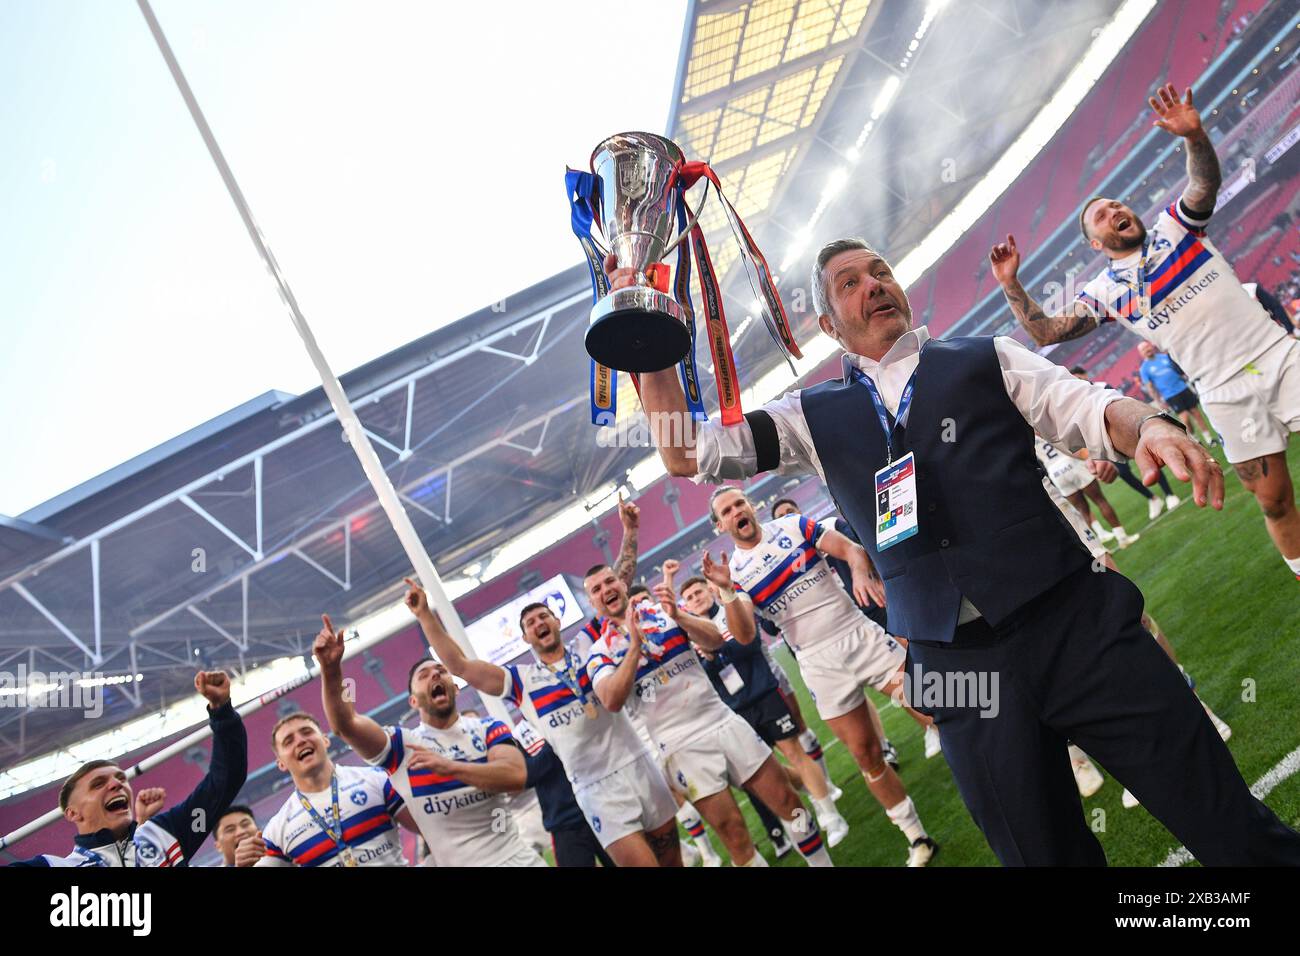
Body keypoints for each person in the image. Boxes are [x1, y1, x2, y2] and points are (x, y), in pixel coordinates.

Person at [618, 230, 1300, 865]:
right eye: (851, 282)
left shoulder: (986, 356)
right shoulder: (808, 417)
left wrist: (1147, 423)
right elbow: (686, 449)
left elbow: (1085, 405)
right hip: (952, 669)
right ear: (828, 325)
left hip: (1075, 622)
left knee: (1225, 823)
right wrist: (647, 331)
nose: (874, 284)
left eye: (880, 272)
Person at [992, 82, 1300, 582]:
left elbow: (1203, 186)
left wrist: (1194, 137)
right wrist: (1012, 286)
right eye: (1102, 215)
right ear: (1097, 241)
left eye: (1116, 204)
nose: (1115, 210)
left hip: (1279, 356)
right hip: (1222, 392)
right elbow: (1048, 328)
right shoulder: (1105, 292)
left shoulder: (1175, 227)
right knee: (1274, 502)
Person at [705, 488, 939, 866]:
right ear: (721, 525)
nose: (736, 512)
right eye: (726, 511)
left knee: (933, 710)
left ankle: (989, 781)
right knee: (866, 755)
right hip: (817, 664)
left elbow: (849, 549)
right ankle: (917, 837)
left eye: (738, 504)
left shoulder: (793, 526)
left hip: (858, 635)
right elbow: (746, 635)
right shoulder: (735, 573)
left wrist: (861, 572)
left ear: (751, 506)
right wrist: (728, 592)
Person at [402, 578, 680, 867]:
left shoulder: (586, 645)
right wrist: (425, 615)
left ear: (557, 621)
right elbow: (460, 666)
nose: (538, 624)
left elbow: (614, 593)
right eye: (530, 623)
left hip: (638, 763)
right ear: (525, 638)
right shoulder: (522, 680)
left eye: (543, 617)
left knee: (673, 862)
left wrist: (630, 533)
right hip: (596, 789)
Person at [583, 564, 834, 866]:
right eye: (596, 589)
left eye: (610, 581)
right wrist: (635, 646)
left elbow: (716, 639)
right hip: (681, 748)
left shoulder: (664, 615)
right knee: (734, 834)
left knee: (788, 802)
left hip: (721, 720)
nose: (605, 590)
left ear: (623, 586)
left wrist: (677, 615)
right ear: (592, 603)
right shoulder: (600, 653)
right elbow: (611, 699)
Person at [313, 614, 545, 867]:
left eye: (441, 671)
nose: (435, 676)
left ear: (455, 688)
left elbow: (515, 777)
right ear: (413, 701)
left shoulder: (489, 728)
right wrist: (331, 670)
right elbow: (345, 725)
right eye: (424, 675)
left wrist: (449, 767)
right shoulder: (402, 746)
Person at [671, 562, 850, 847]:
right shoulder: (690, 636)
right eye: (689, 597)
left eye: (698, 591)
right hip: (733, 711)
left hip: (764, 693)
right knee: (771, 771)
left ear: (709, 590)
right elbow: (698, 680)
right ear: (686, 606)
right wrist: (706, 660)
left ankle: (831, 815)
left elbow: (750, 643)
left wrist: (717, 648)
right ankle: (818, 793)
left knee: (794, 752)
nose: (695, 598)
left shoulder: (729, 611)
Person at [10, 671, 247, 867]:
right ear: (72, 813)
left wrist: (221, 711)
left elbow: (225, 781)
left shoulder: (167, 834)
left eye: (120, 779)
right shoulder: (53, 867)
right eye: (98, 784)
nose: (117, 784)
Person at [770, 497, 937, 761]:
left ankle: (934, 722)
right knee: (859, 695)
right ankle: (886, 746)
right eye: (780, 517)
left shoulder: (828, 527)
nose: (787, 518)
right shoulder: (781, 560)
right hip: (833, 634)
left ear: (800, 512)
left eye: (790, 512)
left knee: (902, 671)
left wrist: (874, 578)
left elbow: (863, 549)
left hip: (870, 607)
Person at [244, 711, 410, 867]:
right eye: (289, 741)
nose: (300, 741)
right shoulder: (276, 831)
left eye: (307, 732)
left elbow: (430, 828)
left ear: (325, 740)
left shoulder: (377, 780)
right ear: (281, 763)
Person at [512, 718, 615, 867]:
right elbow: (527, 774)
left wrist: (549, 750)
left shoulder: (561, 712)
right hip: (564, 822)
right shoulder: (519, 734)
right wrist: (554, 744)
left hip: (599, 804)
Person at [1034, 434, 1140, 547]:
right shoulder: (1043, 424)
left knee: (1082, 511)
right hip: (1070, 460)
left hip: (1054, 471)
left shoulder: (1027, 435)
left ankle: (1098, 548)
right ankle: (1122, 537)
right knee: (1100, 501)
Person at [1135, 344, 1216, 446]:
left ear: (1151, 347)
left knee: (1197, 413)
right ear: (1141, 353)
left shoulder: (1165, 358)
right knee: (1185, 418)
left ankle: (1209, 439)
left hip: (1183, 388)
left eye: (1147, 347)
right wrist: (1159, 401)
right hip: (1170, 395)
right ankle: (1194, 439)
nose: (1147, 350)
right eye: (1144, 349)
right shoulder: (1144, 369)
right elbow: (1150, 387)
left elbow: (1179, 370)